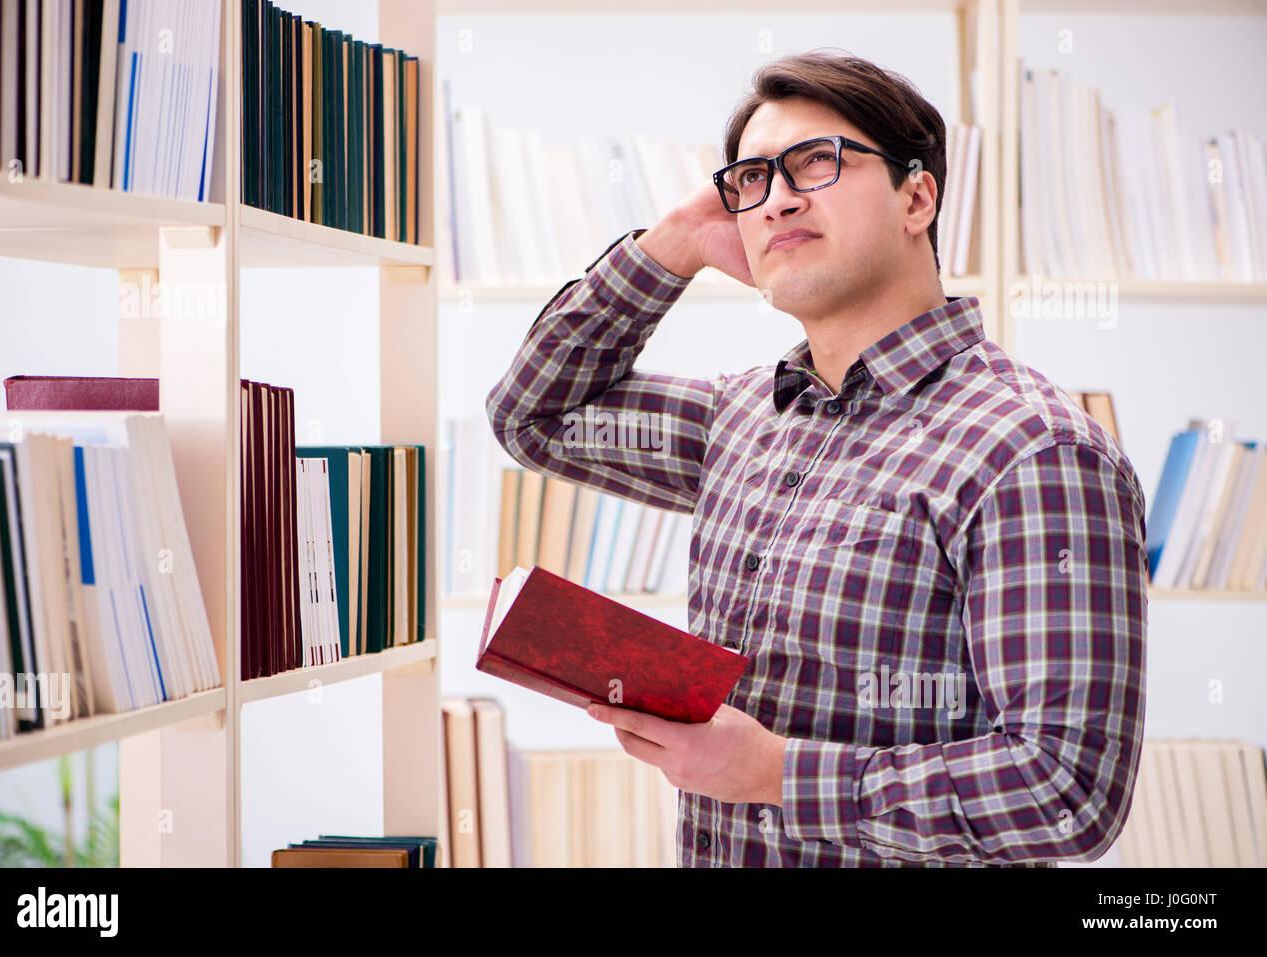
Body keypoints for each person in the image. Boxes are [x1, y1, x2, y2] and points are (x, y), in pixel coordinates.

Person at [484, 50, 1148, 867]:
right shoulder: (743, 415)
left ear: (917, 197)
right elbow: (534, 415)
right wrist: (677, 241)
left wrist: (776, 773)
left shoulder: (1031, 449)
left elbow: (1066, 790)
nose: (778, 197)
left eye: (815, 162)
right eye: (752, 180)